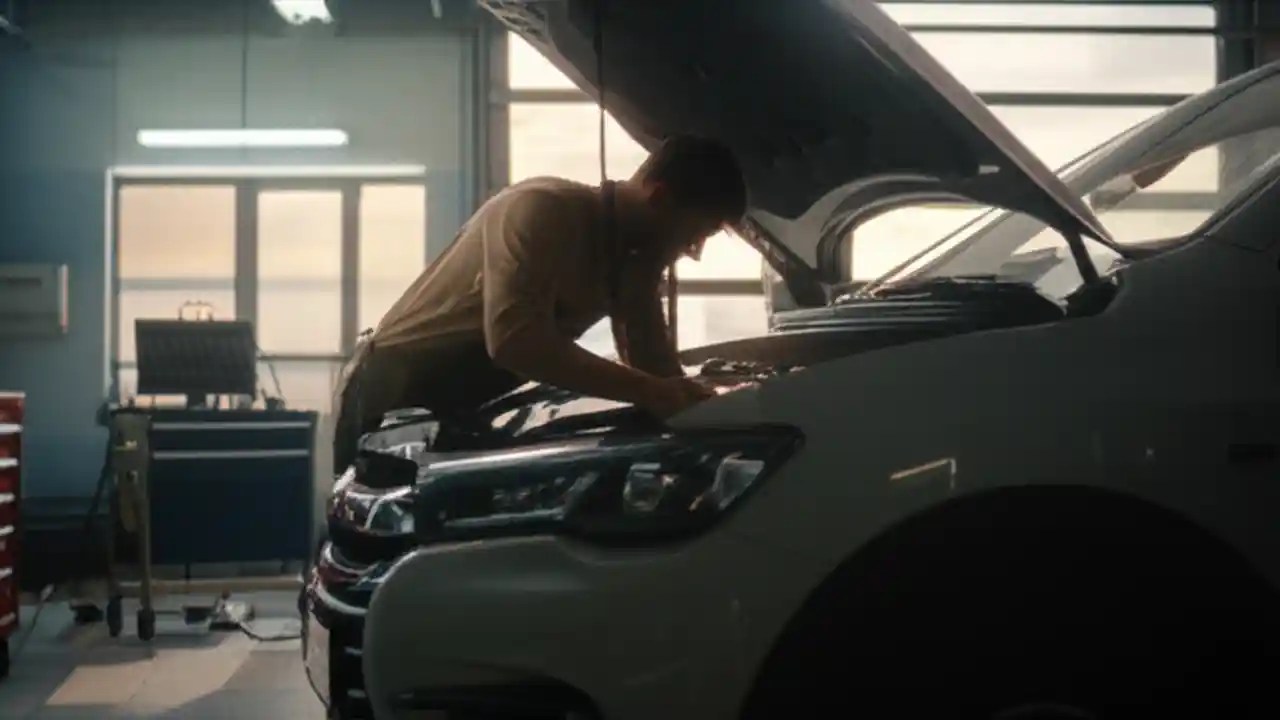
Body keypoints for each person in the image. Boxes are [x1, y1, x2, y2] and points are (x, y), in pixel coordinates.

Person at [331, 134, 749, 472]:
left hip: (461, 402)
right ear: (658, 199)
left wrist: (709, 411)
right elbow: (516, 342)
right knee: (372, 546)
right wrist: (653, 391)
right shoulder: (542, 210)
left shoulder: (633, 261)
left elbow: (654, 368)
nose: (692, 252)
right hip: (394, 390)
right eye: (695, 235)